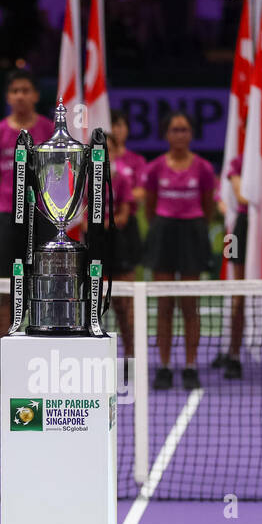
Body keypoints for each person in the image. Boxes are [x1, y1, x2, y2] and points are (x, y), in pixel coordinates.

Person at [0, 68, 55, 386]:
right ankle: (7, 364)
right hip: (9, 218)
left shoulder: (50, 129)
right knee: (8, 292)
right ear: (8, 97)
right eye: (15, 91)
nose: (21, 96)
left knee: (45, 291)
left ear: (36, 95)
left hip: (44, 218)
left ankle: (43, 365)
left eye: (26, 90)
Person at [143, 110, 217, 391]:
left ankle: (190, 365)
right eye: (174, 130)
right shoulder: (155, 168)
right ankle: (163, 366)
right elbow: (149, 207)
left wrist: (193, 223)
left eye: (184, 130)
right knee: (164, 306)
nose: (180, 135)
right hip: (164, 234)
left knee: (189, 306)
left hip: (192, 234)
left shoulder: (204, 169)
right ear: (166, 135)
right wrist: (163, 224)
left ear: (191, 134)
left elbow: (208, 206)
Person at [214, 152, 262, 381]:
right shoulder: (238, 162)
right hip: (241, 231)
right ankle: (234, 356)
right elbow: (243, 196)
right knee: (239, 296)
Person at [106, 110, 146, 363]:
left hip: (123, 237)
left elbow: (136, 199)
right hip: (97, 241)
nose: (116, 130)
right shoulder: (87, 175)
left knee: (125, 302)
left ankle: (132, 356)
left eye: (119, 124)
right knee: (93, 303)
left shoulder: (134, 163)